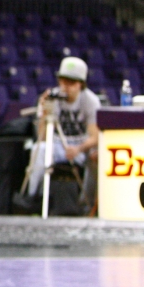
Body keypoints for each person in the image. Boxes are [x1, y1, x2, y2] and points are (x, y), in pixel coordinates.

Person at [26, 56, 100, 199]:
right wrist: (44, 112)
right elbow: (42, 136)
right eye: (63, 80)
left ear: (81, 84)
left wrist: (78, 149)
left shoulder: (90, 101)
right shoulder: (53, 98)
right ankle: (33, 198)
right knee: (39, 149)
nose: (66, 85)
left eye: (71, 82)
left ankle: (85, 203)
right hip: (58, 145)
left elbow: (95, 136)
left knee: (96, 155)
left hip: (81, 146)